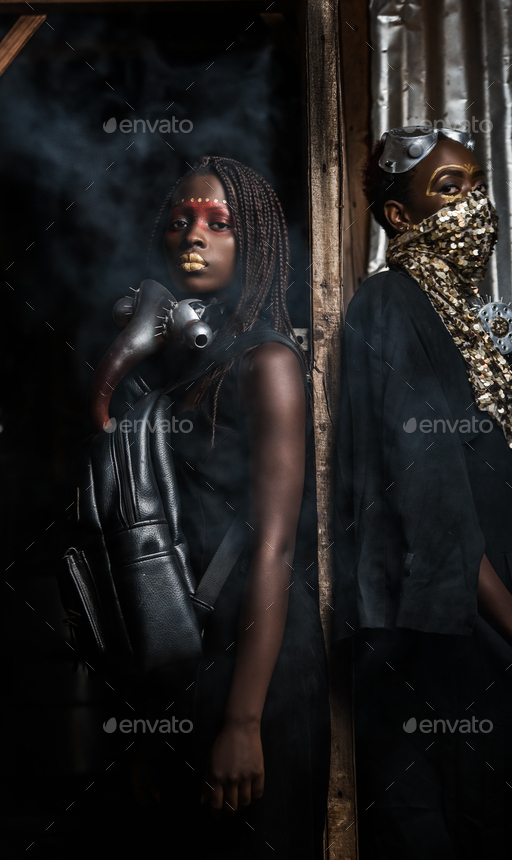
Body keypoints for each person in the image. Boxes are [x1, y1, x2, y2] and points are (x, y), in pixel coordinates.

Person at [333, 127, 512, 859]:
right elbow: (424, 488)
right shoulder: (390, 304)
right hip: (475, 646)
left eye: (476, 183)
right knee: (474, 817)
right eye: (450, 189)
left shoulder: (472, 316)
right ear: (400, 218)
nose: (474, 203)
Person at [105, 155, 330, 858]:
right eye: (179, 221)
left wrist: (241, 721)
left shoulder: (270, 365)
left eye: (217, 222)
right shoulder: (184, 373)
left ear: (254, 241)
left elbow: (274, 546)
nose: (192, 236)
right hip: (185, 664)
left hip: (257, 670)